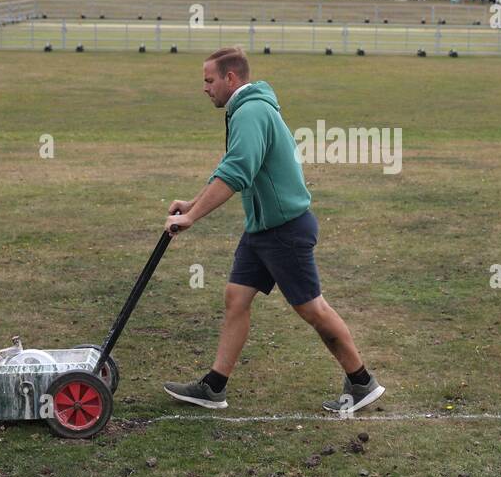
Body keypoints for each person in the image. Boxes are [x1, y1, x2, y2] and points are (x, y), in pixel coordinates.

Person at [162, 47, 385, 414]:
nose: (205, 88)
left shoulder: (251, 112)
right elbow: (230, 165)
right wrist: (192, 203)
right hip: (261, 230)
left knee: (312, 309)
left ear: (230, 78)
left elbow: (237, 171)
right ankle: (213, 386)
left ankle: (361, 382)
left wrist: (192, 218)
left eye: (208, 80)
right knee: (236, 298)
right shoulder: (247, 109)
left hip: (284, 231)